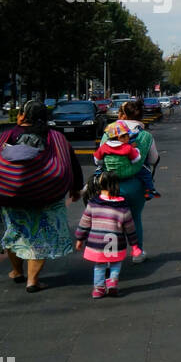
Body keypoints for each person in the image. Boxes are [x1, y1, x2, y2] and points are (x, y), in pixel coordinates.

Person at [0, 99, 82, 292]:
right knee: (42, 237)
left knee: (15, 233)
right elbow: (70, 162)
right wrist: (75, 188)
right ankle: (33, 280)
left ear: (22, 116)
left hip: (13, 195)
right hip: (47, 196)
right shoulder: (55, 137)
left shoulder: (8, 135)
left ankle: (17, 271)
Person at [98, 98, 159, 262]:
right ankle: (137, 253)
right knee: (135, 218)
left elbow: (99, 156)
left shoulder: (110, 132)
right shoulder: (146, 135)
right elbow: (153, 159)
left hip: (111, 184)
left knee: (111, 220)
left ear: (123, 116)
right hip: (136, 184)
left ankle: (110, 254)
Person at [74, 171, 141, 298]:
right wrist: (134, 244)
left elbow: (85, 222)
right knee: (115, 262)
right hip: (116, 242)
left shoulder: (93, 204)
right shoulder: (122, 207)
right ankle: (112, 282)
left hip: (97, 242)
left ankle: (98, 288)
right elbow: (130, 227)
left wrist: (80, 238)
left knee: (99, 265)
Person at [95, 119, 161, 199]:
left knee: (99, 169)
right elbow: (136, 159)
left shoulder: (104, 147)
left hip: (110, 174)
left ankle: (97, 182)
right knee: (145, 171)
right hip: (127, 173)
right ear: (120, 137)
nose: (129, 138)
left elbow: (97, 160)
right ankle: (150, 189)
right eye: (127, 135)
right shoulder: (127, 147)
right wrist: (135, 149)